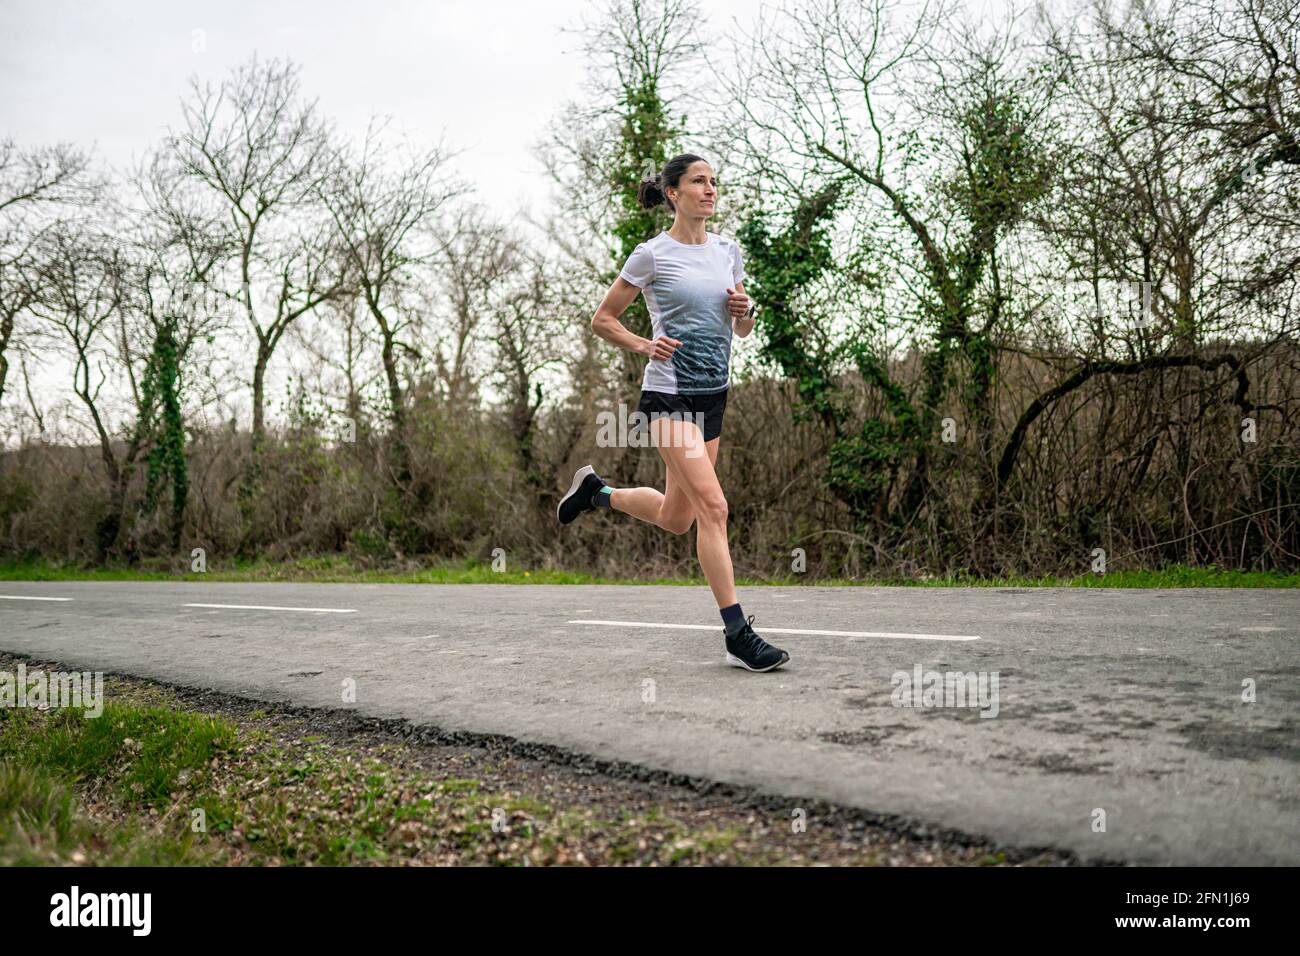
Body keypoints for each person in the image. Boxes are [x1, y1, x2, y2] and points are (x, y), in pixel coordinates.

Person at [557, 153, 790, 673]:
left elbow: (744, 330)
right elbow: (603, 319)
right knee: (715, 508)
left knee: (676, 517)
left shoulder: (728, 251)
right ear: (673, 193)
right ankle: (737, 634)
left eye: (714, 182)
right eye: (698, 182)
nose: (710, 190)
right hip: (668, 396)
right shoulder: (652, 255)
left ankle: (597, 493)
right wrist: (645, 345)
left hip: (714, 394)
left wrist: (745, 313)